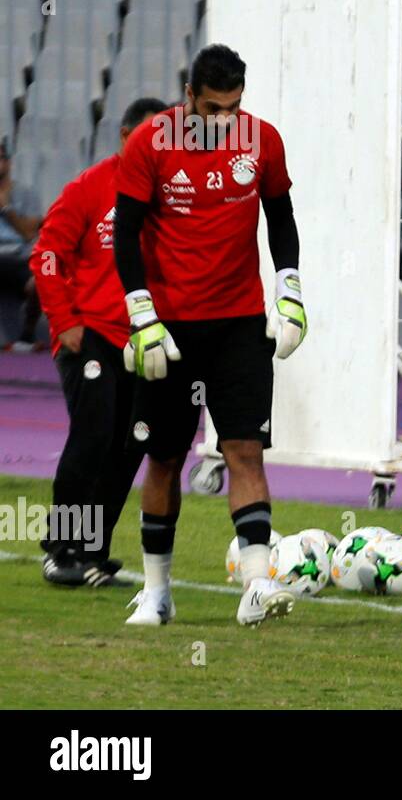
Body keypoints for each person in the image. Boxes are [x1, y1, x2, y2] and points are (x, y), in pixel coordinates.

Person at [113, 44, 307, 627]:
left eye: (235, 106)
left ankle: (255, 589)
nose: (225, 119)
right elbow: (125, 234)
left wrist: (290, 290)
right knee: (166, 458)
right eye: (214, 107)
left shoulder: (262, 140)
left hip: (239, 322)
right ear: (190, 96)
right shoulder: (149, 143)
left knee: (244, 449)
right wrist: (141, 315)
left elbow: (281, 217)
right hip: (171, 328)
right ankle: (157, 592)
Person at [30, 97, 169, 587]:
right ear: (125, 137)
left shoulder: (173, 194)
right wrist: (64, 319)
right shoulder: (91, 186)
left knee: (129, 446)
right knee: (93, 435)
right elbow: (47, 254)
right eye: (148, 137)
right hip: (90, 337)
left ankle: (92, 552)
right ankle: (60, 548)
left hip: (146, 342)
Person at [0, 146, 46, 349]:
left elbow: (29, 233)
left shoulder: (26, 193)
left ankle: (27, 334)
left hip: (20, 257)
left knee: (40, 280)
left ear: (8, 162)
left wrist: (6, 208)